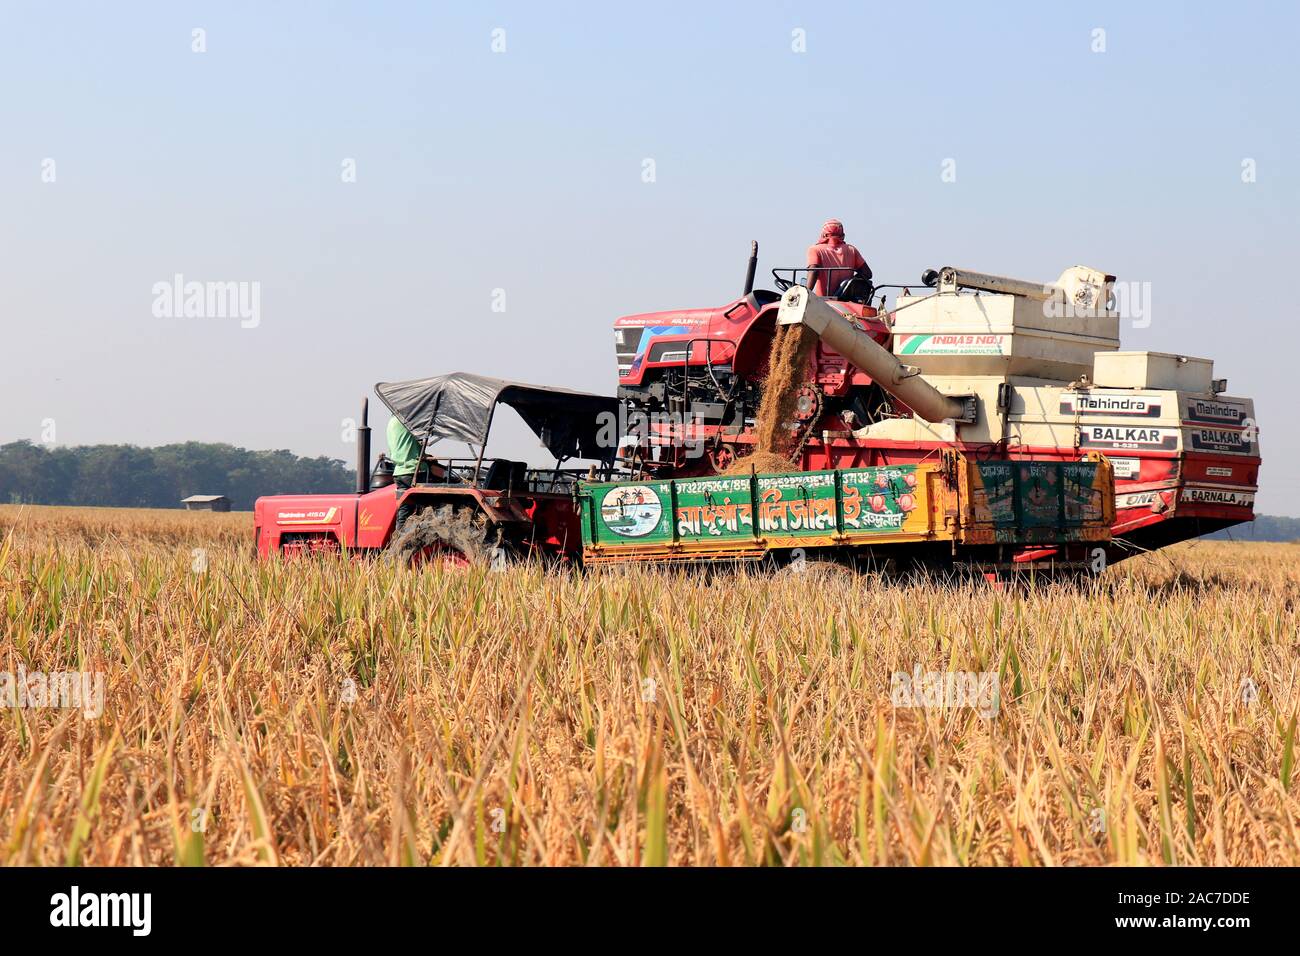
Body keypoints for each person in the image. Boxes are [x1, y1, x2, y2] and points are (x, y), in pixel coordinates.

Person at [805, 219, 872, 297]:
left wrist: (805, 293)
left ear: (824, 235)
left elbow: (813, 271)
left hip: (824, 301)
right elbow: (867, 273)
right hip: (846, 301)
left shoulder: (815, 250)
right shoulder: (852, 250)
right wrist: (850, 282)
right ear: (842, 235)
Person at [387, 415, 421, 532]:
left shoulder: (391, 422)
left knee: (404, 510)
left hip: (399, 472)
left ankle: (400, 540)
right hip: (413, 471)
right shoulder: (408, 420)